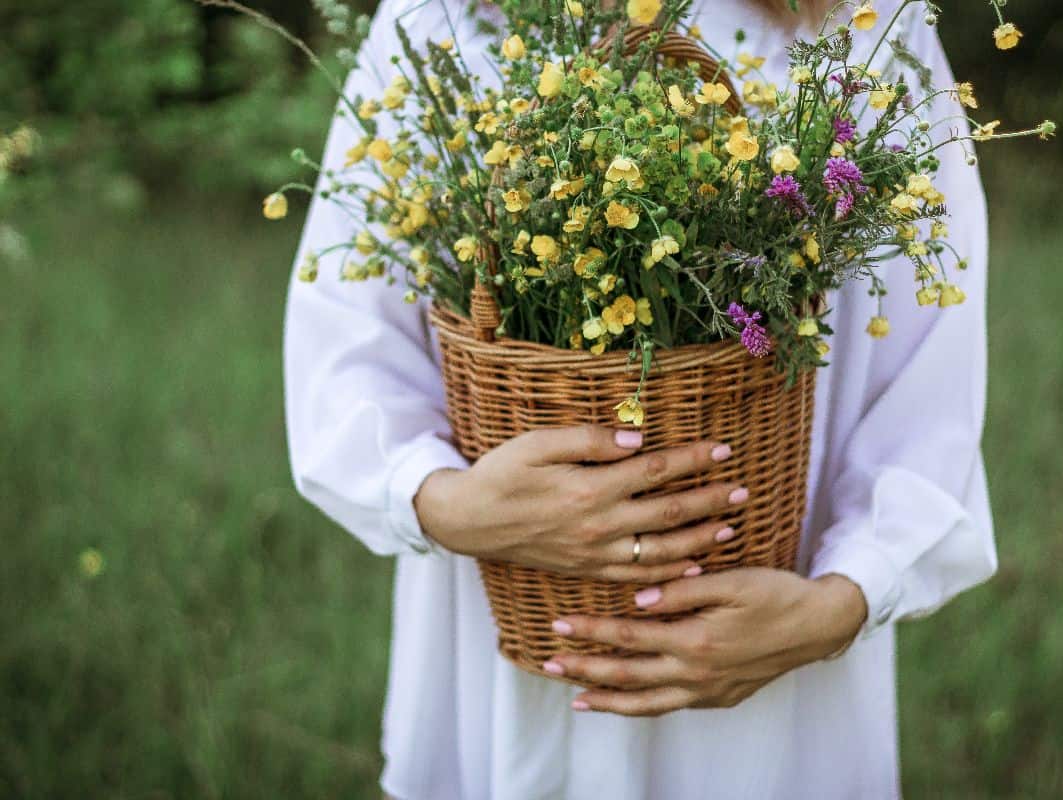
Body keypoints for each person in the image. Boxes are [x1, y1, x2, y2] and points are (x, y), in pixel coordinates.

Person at [284, 0, 998, 796]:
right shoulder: (441, 18)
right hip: (508, 647)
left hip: (769, 682)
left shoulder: (866, 21)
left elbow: (933, 376)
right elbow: (346, 346)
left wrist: (835, 608)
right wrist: (446, 503)